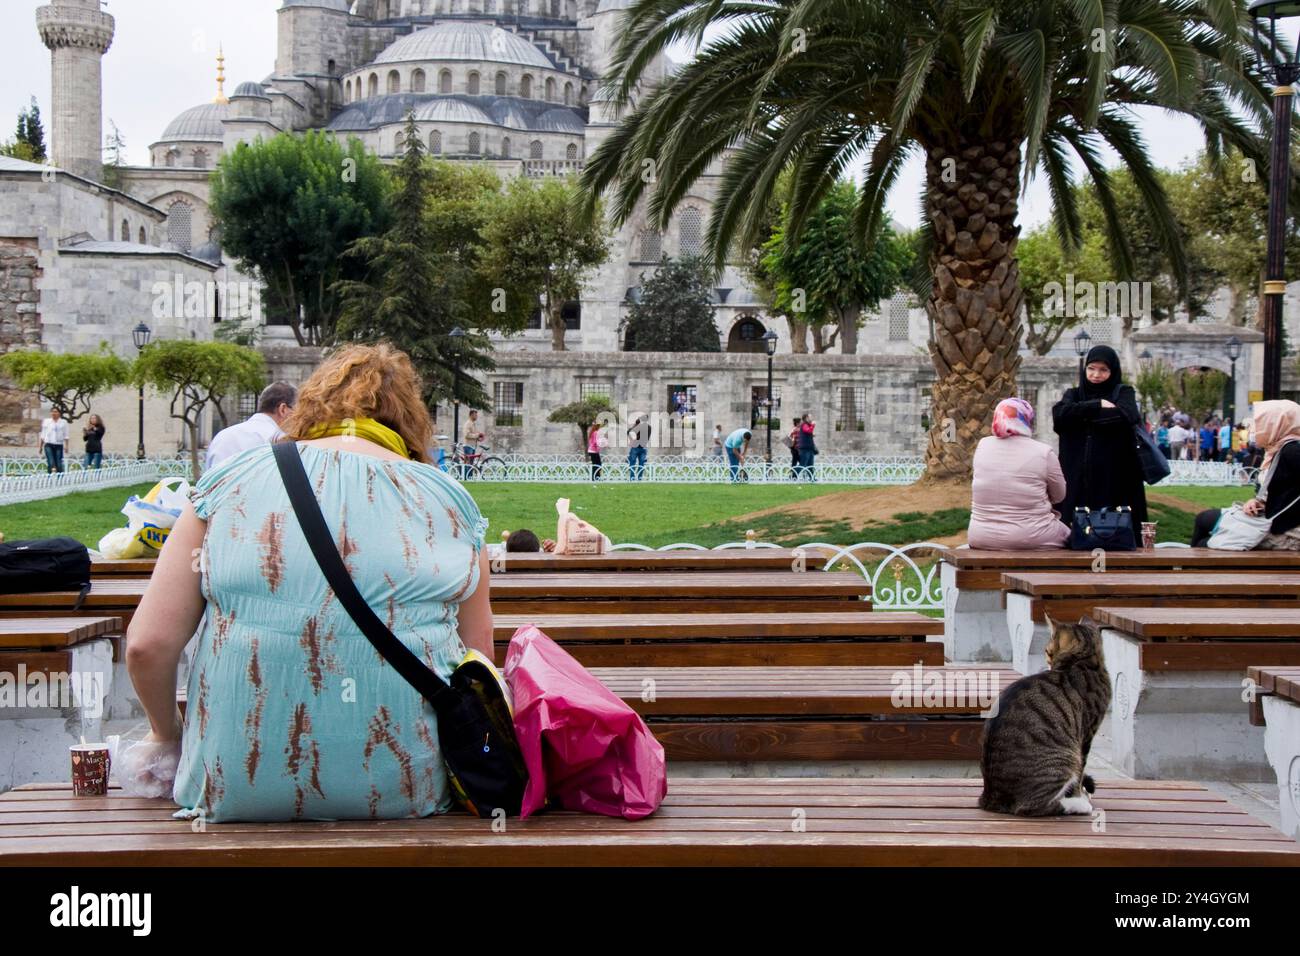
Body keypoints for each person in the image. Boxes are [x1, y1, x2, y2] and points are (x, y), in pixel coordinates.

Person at [125, 343, 492, 822]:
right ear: (410, 420)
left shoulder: (225, 485)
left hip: (229, 783)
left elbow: (147, 646)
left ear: (310, 406)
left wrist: (167, 734)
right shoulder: (451, 503)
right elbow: (478, 661)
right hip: (406, 791)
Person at [1052, 344, 1148, 527]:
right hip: (1077, 474)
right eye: (1091, 369)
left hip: (1115, 475)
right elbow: (1060, 416)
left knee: (1114, 528)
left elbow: (1127, 416)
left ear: (1113, 371)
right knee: (1074, 528)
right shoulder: (1073, 394)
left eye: (1103, 370)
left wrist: (1081, 416)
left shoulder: (1123, 393)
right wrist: (1097, 405)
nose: (1096, 375)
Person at [1192, 401, 1300, 549]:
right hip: (1269, 521)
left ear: (1276, 424)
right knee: (1203, 524)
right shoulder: (1278, 449)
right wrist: (1257, 502)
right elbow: (1284, 491)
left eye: (1260, 422)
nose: (1254, 429)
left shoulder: (1292, 451)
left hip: (1285, 532)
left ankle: (1188, 568)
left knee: (1203, 539)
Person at [968, 399, 1069, 550]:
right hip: (1030, 534)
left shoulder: (983, 445)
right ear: (1027, 420)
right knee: (1072, 537)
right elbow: (1060, 495)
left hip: (980, 535)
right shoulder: (1043, 451)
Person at [205, 382, 297, 470]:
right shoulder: (281, 442)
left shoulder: (222, 436)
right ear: (283, 409)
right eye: (298, 411)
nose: (300, 418)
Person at [38, 407, 69, 473]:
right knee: (51, 462)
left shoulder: (63, 422)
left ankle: (59, 478)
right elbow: (43, 434)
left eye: (56, 412)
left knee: (58, 463)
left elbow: (66, 435)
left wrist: (66, 446)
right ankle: (50, 477)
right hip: (49, 444)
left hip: (58, 444)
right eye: (52, 412)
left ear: (59, 413)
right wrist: (40, 447)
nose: (54, 413)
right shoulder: (47, 421)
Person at [626, 415, 650, 481]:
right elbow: (628, 431)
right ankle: (633, 478)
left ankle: (638, 478)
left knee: (640, 464)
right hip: (638, 447)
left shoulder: (647, 427)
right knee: (634, 463)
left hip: (641, 447)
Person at [796, 413, 818, 481]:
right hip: (805, 448)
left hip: (810, 448)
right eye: (810, 417)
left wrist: (812, 435)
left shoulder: (808, 425)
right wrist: (813, 425)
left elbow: (808, 432)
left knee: (810, 465)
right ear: (806, 418)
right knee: (803, 464)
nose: (811, 418)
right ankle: (794, 476)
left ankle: (812, 478)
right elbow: (808, 431)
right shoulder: (804, 425)